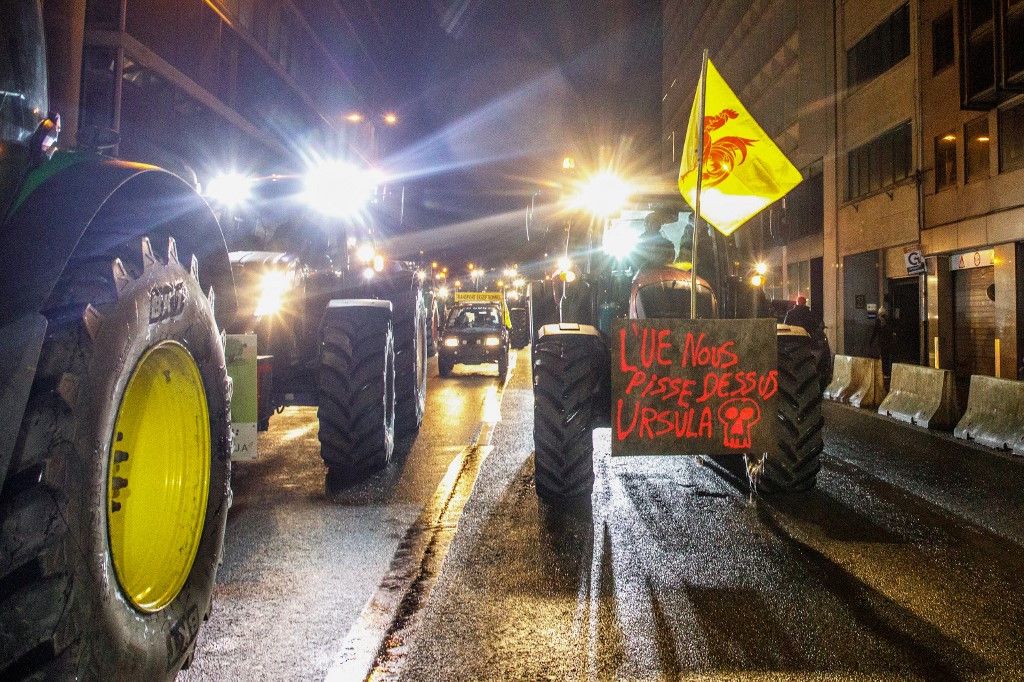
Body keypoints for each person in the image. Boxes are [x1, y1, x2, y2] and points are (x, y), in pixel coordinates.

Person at [869, 306, 895, 376]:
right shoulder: (888, 321)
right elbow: (891, 331)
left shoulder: (878, 321)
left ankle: (884, 372)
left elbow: (875, 332)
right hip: (887, 343)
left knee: (884, 358)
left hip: (882, 343)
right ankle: (886, 372)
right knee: (886, 358)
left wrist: (871, 341)